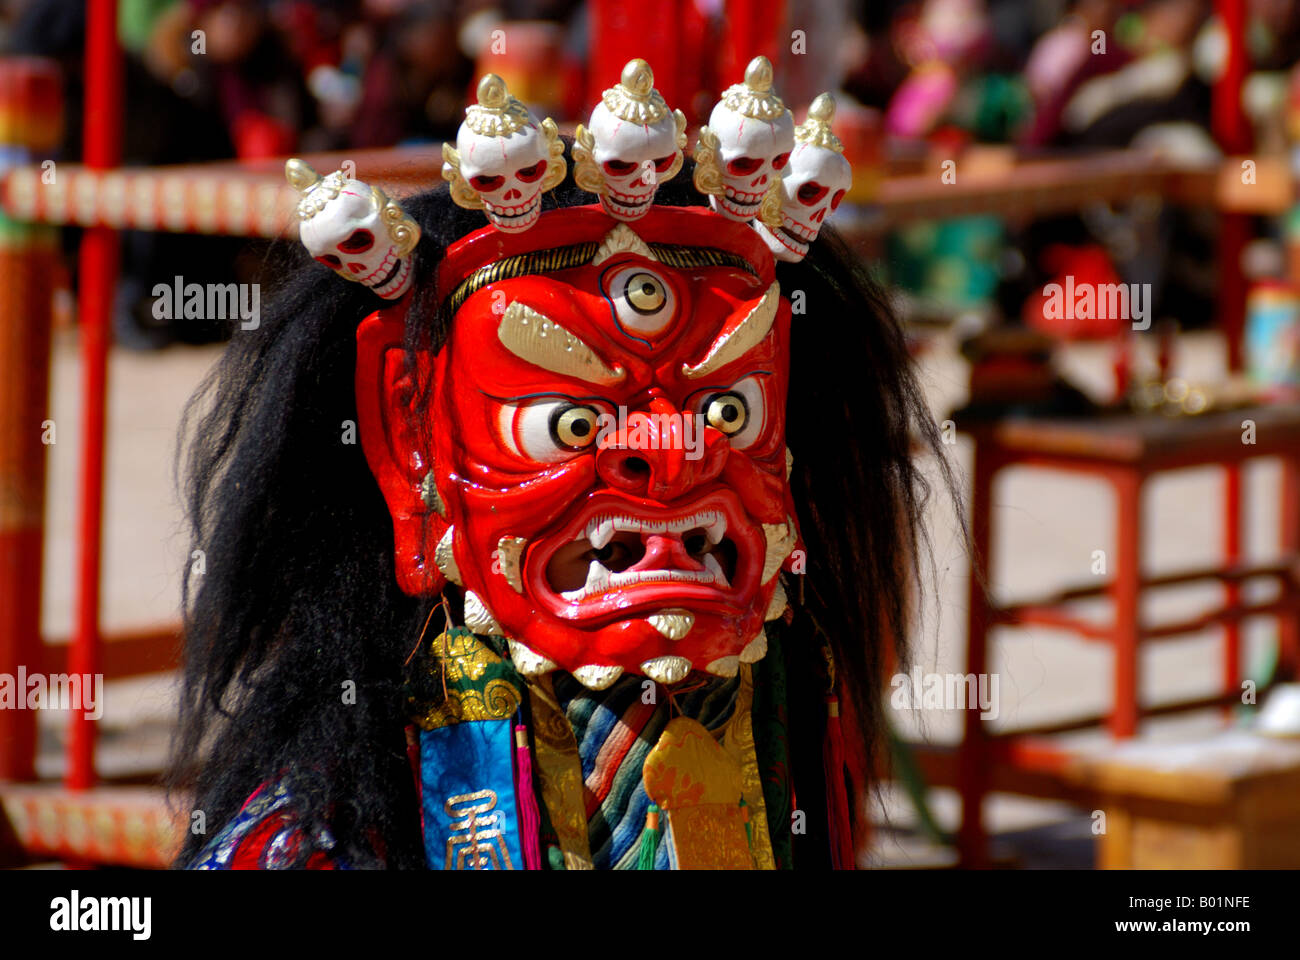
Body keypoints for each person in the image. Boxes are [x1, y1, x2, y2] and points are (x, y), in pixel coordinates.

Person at [170, 58, 953, 870]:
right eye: (572, 421)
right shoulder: (312, 848)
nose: (673, 459)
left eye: (727, 412)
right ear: (412, 442)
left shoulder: (786, 748)